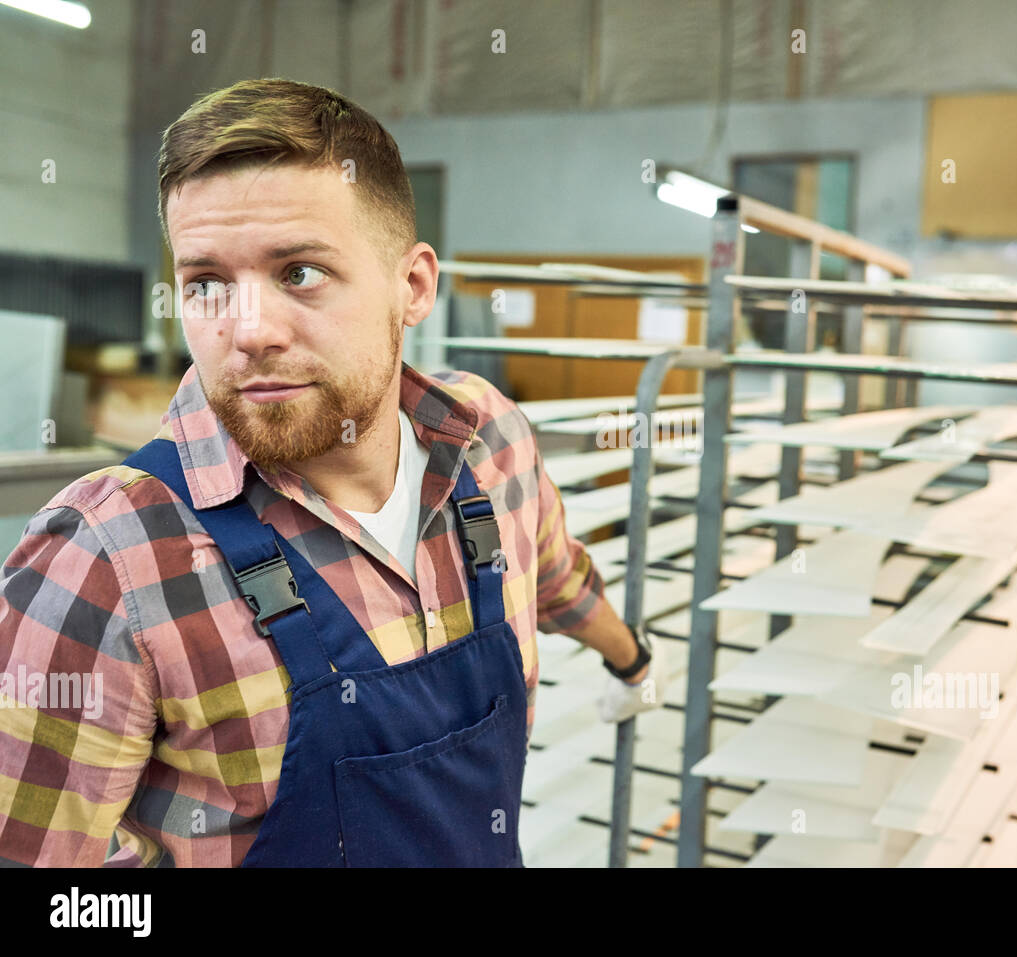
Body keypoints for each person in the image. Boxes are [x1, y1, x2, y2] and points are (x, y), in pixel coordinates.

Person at [0, 77, 663, 867]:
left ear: (412, 286)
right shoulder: (108, 557)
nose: (248, 331)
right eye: (206, 283)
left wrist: (632, 659)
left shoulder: (489, 443)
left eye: (299, 272)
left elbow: (553, 574)